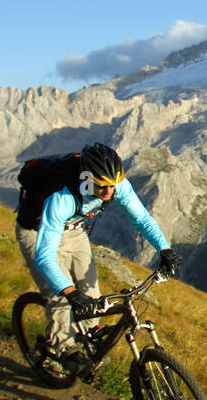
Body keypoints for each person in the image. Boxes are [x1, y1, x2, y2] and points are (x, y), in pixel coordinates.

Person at [14, 142, 180, 377]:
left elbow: (141, 218)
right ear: (86, 179)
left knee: (92, 295)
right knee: (59, 297)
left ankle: (90, 342)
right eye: (102, 187)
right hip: (38, 233)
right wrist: (69, 292)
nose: (108, 193)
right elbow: (44, 256)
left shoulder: (115, 183)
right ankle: (60, 352)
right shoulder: (61, 198)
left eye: (112, 186)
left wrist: (164, 249)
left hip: (74, 231)